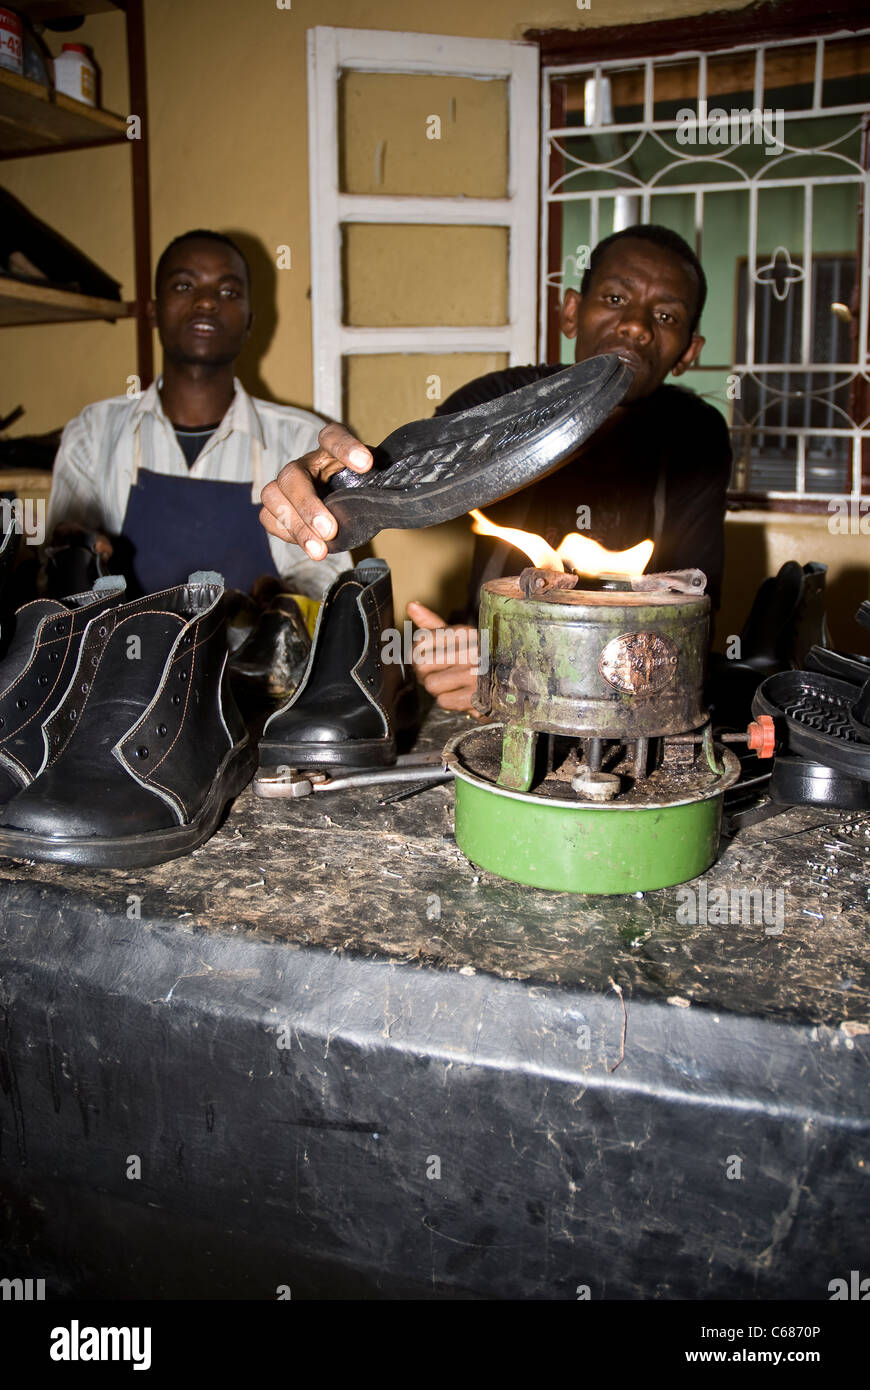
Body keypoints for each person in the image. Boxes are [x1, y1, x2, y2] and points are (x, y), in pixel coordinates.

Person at [259, 225, 731, 711]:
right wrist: (330, 487)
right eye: (614, 297)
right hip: (481, 660)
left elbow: (694, 616)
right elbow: (401, 474)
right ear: (571, 312)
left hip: (628, 685)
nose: (636, 325)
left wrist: (523, 665)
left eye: (665, 314)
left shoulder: (696, 434)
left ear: (688, 352)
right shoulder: (503, 400)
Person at [47, 229, 350, 598]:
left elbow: (331, 586)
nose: (206, 302)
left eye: (228, 292)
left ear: (250, 321)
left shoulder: (303, 441)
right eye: (184, 286)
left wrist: (281, 602)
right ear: (153, 311)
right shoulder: (93, 434)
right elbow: (60, 578)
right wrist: (78, 559)